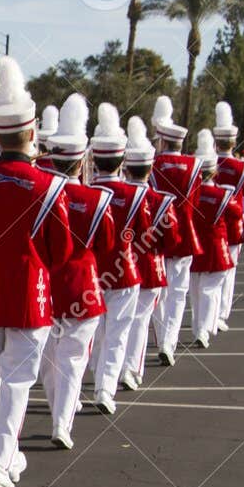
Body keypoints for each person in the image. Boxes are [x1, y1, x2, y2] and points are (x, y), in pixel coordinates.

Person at [0, 59, 72, 487]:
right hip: (29, 295)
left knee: (0, 384)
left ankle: (8, 454)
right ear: (30, 133)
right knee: (17, 383)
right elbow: (60, 253)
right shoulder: (50, 185)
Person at [38, 93, 110, 451]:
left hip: (46, 287)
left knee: (51, 359)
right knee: (73, 359)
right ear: (82, 159)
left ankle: (58, 414)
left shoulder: (42, 196)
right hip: (83, 286)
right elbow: (109, 243)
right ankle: (61, 422)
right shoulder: (97, 199)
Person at [86, 103, 143, 413]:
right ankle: (105, 389)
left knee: (93, 331)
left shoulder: (83, 192)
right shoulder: (136, 195)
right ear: (122, 160)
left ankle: (87, 382)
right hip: (124, 271)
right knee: (118, 334)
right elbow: (144, 235)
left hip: (91, 273)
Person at [120, 117, 175, 390]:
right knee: (139, 321)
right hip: (150, 268)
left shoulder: (111, 194)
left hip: (117, 268)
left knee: (114, 324)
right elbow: (172, 240)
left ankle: (115, 369)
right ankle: (131, 368)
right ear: (150, 168)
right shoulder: (160, 201)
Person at [149, 95, 201, 367]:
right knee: (179, 293)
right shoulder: (195, 167)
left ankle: (161, 340)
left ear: (161, 140)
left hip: (157, 237)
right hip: (185, 236)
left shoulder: (153, 166)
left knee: (161, 291)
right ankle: (169, 342)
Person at [189, 130, 244, 349]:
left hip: (195, 248)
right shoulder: (222, 195)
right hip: (216, 249)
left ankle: (198, 328)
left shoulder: (189, 196)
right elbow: (237, 212)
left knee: (195, 291)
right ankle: (204, 329)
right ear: (214, 173)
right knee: (210, 290)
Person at [210, 102, 244, 332]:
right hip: (233, 223)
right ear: (234, 142)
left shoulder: (208, 164)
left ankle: (209, 315)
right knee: (229, 270)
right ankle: (221, 313)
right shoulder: (241, 166)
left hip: (211, 222)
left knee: (208, 271)